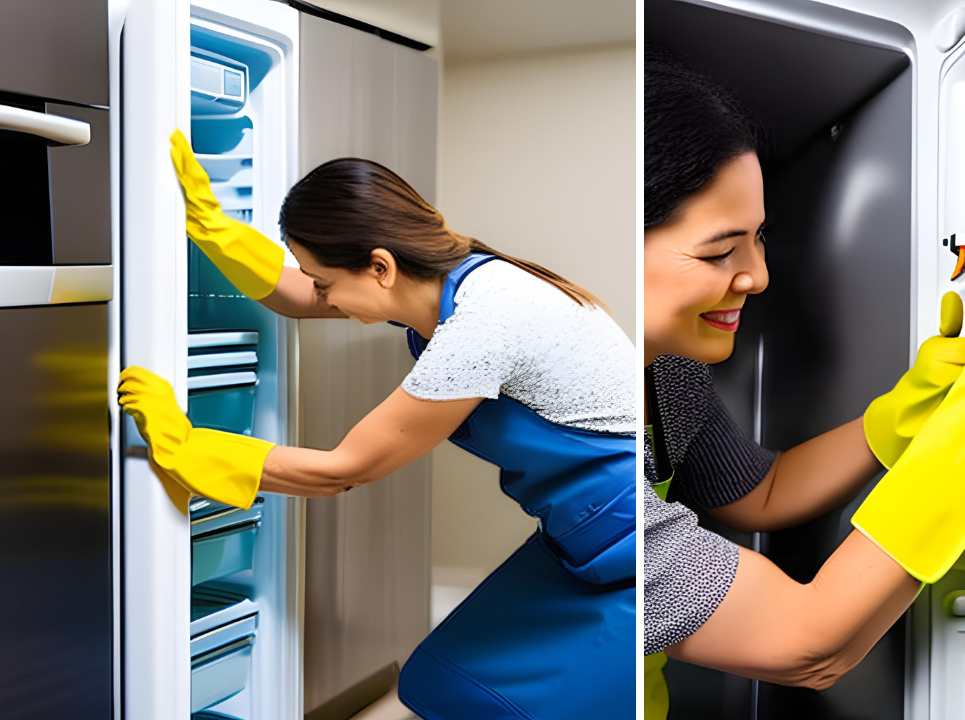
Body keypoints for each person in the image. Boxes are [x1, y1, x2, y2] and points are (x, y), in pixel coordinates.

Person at [119, 131, 637, 720]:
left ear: (379, 267)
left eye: (324, 279)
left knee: (506, 705)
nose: (322, 295)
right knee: (441, 683)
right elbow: (303, 297)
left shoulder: (484, 324)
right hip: (580, 539)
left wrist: (187, 446)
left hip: (632, 557)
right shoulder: (450, 280)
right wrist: (213, 226)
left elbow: (347, 468)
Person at [641, 47, 965, 718]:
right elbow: (809, 646)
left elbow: (758, 493)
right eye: (719, 251)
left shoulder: (669, 374)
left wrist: (899, 419)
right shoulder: (573, 439)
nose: (758, 276)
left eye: (759, 240)